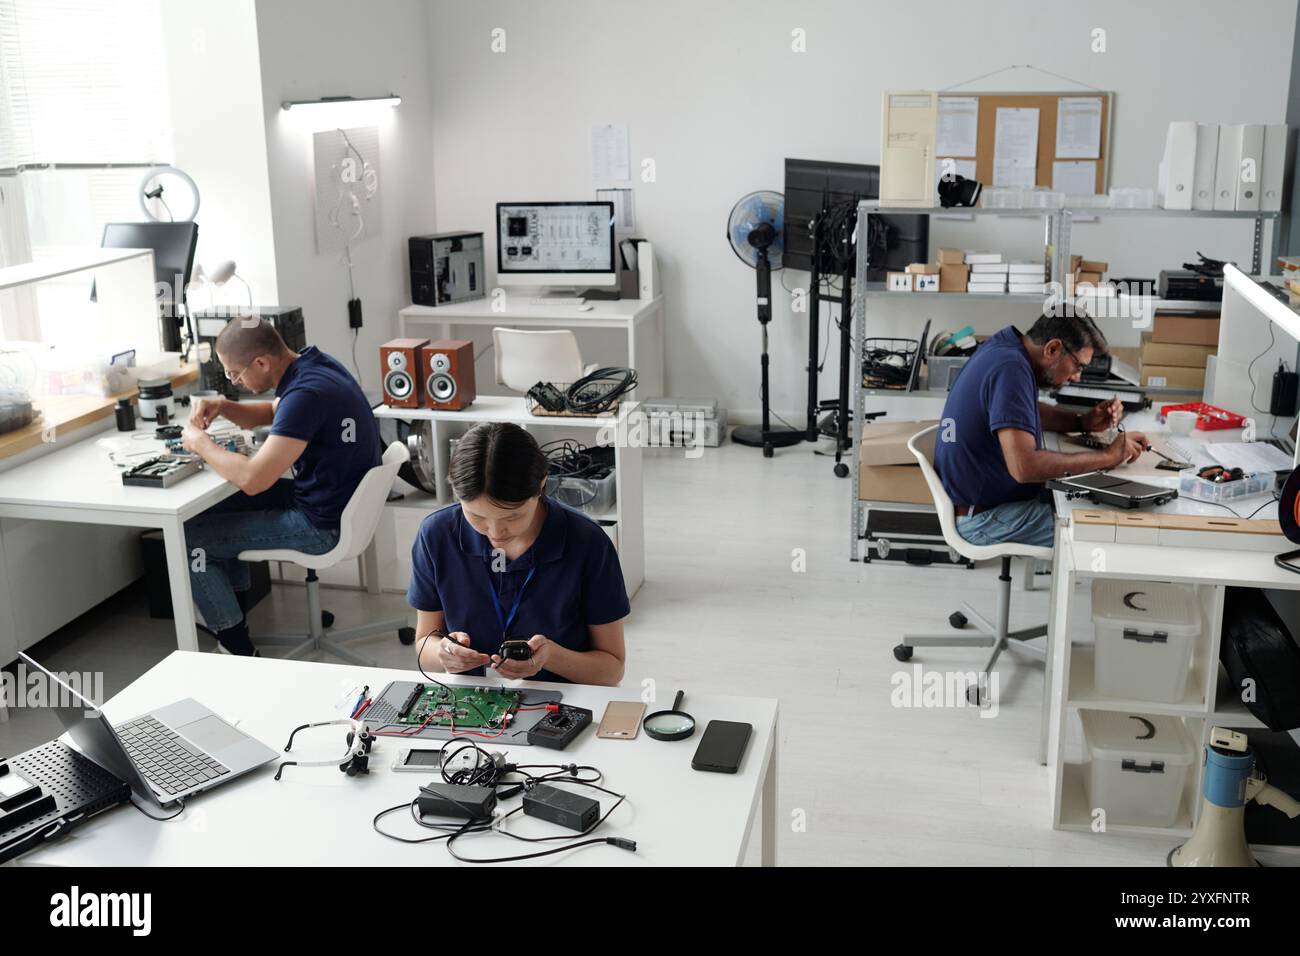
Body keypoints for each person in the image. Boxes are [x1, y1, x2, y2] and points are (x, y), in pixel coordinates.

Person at [180, 319, 380, 655]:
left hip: (321, 525)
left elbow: (254, 480)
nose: (235, 381)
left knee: (190, 541)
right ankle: (237, 618)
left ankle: (237, 646)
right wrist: (225, 406)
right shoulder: (315, 365)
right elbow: (271, 413)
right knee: (212, 512)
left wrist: (200, 443)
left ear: (261, 362)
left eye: (235, 374)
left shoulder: (305, 394)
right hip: (336, 504)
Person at [409, 422, 628, 685]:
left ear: (542, 484)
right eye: (476, 516)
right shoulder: (436, 535)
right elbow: (424, 645)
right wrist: (444, 654)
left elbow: (612, 669)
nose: (495, 532)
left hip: (560, 701)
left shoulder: (588, 544)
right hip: (472, 700)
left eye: (512, 516)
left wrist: (551, 657)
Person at [934, 311, 1148, 549]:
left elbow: (1020, 409)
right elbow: (1025, 467)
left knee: (1104, 504)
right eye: (1078, 366)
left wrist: (1082, 422)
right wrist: (1108, 457)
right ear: (1053, 349)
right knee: (1110, 531)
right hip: (985, 518)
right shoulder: (1011, 368)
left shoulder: (1005, 347)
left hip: (984, 503)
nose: (1076, 377)